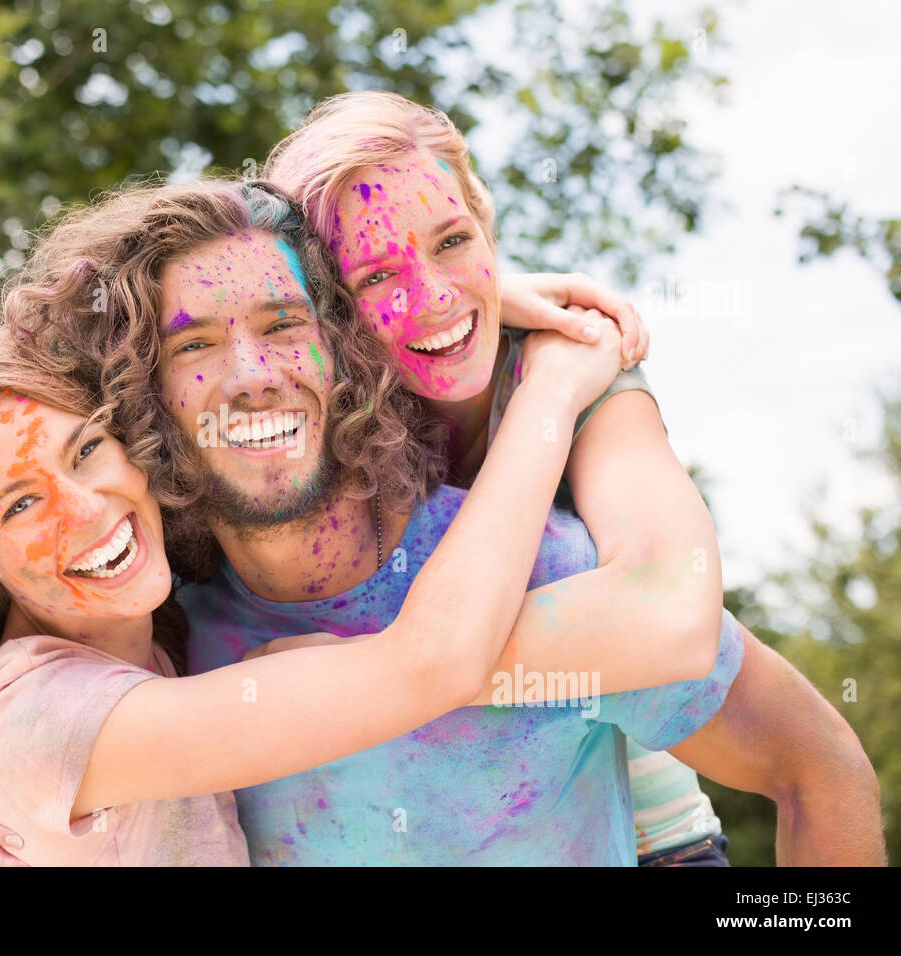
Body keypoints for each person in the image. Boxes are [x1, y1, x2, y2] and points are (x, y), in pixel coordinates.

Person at [0, 176, 881, 865]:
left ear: (343, 349)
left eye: (283, 324)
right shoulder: (158, 630)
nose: (253, 371)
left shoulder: (552, 573)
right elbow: (12, 404)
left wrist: (527, 333)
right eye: (196, 345)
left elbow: (821, 772)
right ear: (139, 392)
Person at [0, 317, 693, 865]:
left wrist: (458, 301)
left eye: (87, 448)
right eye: (17, 504)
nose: (89, 510)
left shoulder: (153, 605)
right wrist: (553, 397)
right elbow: (432, 662)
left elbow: (210, 318)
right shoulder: (31, 715)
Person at [261, 89, 732, 863]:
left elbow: (674, 616)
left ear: (487, 230)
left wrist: (369, 677)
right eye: (376, 275)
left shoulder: (571, 366)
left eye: (454, 240)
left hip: (650, 838)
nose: (434, 296)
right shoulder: (305, 417)